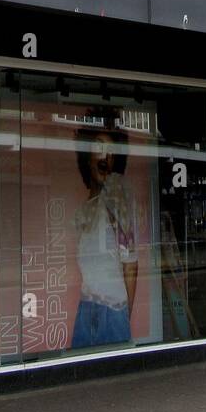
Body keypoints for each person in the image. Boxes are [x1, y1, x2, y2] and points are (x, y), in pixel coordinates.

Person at [71, 126, 138, 348]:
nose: (105, 156)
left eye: (110, 150)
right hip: (86, 308)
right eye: (98, 147)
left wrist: (123, 316)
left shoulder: (117, 203)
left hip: (112, 311)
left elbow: (130, 265)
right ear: (87, 156)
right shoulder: (82, 211)